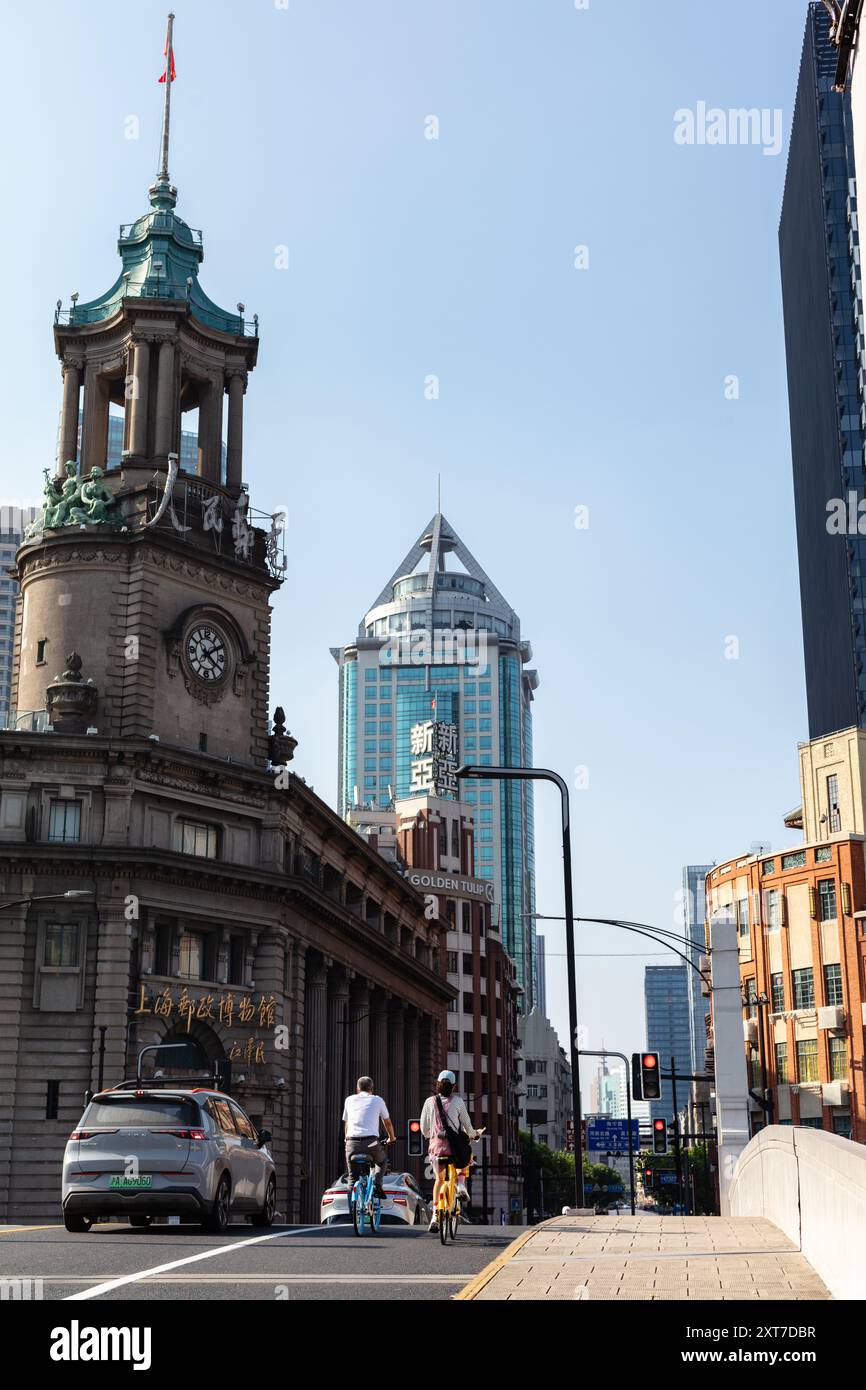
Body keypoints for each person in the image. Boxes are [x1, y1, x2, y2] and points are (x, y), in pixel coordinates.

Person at [420, 1070, 484, 1232]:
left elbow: (424, 1128)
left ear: (438, 1084)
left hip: (436, 1149)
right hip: (453, 1150)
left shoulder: (429, 1102)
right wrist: (474, 1134)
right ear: (454, 1086)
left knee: (439, 1181)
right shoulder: (458, 1102)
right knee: (465, 1153)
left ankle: (435, 1215)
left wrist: (431, 1135)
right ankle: (461, 1186)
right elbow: (468, 1127)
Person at [342, 1076, 395, 1199]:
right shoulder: (378, 1100)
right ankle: (377, 1184)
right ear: (372, 1088)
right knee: (382, 1162)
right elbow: (387, 1122)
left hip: (351, 1143)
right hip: (371, 1143)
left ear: (357, 1089)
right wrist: (391, 1137)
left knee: (352, 1178)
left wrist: (346, 1139)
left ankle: (352, 1209)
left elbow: (347, 1123)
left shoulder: (349, 1100)